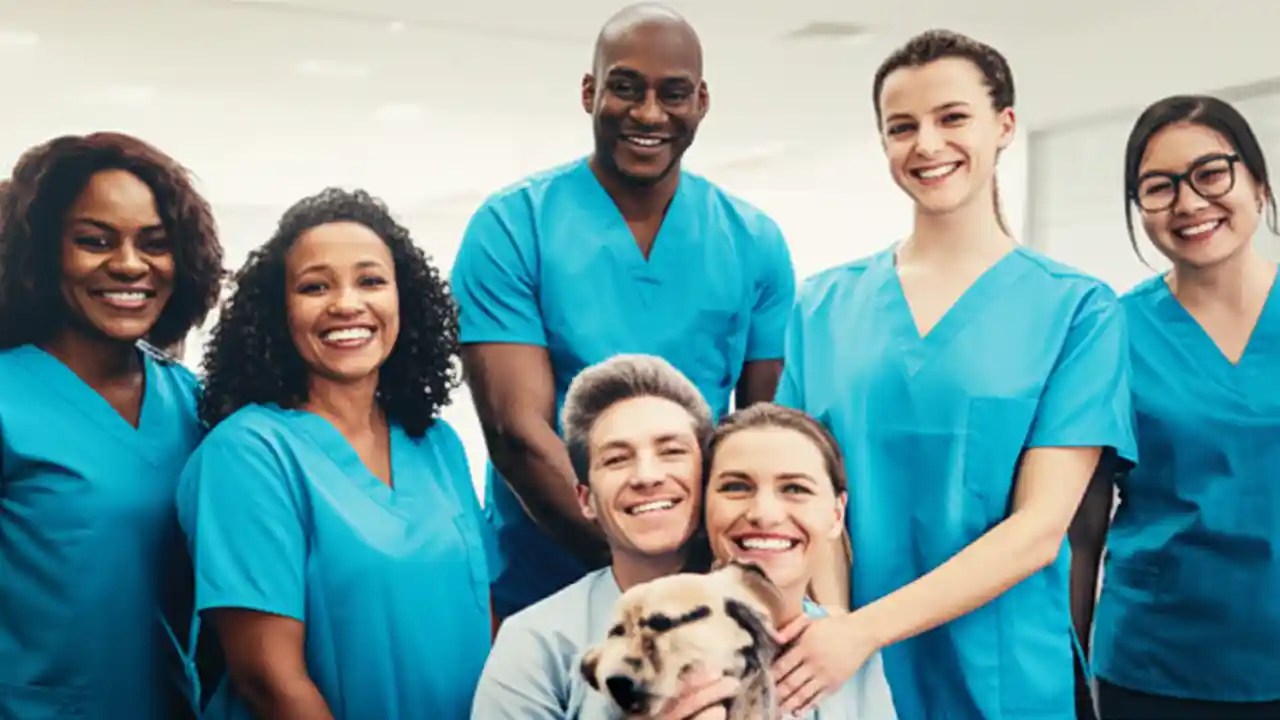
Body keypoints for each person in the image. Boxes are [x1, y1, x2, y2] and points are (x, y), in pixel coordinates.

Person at [770, 29, 1138, 720]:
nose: (927, 145)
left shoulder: (1076, 308)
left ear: (1004, 126)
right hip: (840, 671)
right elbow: (805, 504)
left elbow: (1037, 530)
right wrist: (839, 639)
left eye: (952, 118)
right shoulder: (823, 306)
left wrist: (862, 632)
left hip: (1003, 677)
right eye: (901, 127)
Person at [450, 0, 797, 621]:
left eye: (674, 93)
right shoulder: (512, 227)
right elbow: (516, 434)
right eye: (625, 88)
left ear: (702, 102)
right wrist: (642, 568)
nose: (647, 113)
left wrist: (693, 570)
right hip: (540, 582)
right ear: (589, 92)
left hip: (701, 587)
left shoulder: (754, 241)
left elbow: (766, 431)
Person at [176, 188, 492, 719]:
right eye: (314, 286)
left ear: (404, 300)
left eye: (371, 281)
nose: (347, 304)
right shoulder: (249, 453)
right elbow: (270, 683)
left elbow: (482, 616)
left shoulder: (436, 443)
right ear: (279, 312)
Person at [0, 132, 224, 719]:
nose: (129, 265)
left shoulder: (196, 404)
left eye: (155, 244)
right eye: (95, 242)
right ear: (45, 253)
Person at [1073, 95, 1280, 720]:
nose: (1189, 203)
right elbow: (1082, 529)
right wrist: (1074, 677)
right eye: (1158, 188)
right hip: (1159, 668)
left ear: (1259, 185)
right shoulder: (1111, 332)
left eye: (1211, 173)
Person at [471, 353, 746, 719]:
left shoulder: (777, 620)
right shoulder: (536, 642)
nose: (646, 476)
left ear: (708, 474)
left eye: (671, 452)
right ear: (586, 499)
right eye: (617, 459)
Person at [702, 402, 899, 719]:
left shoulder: (854, 653)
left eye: (795, 488)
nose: (764, 515)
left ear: (836, 515)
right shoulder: (648, 634)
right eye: (736, 487)